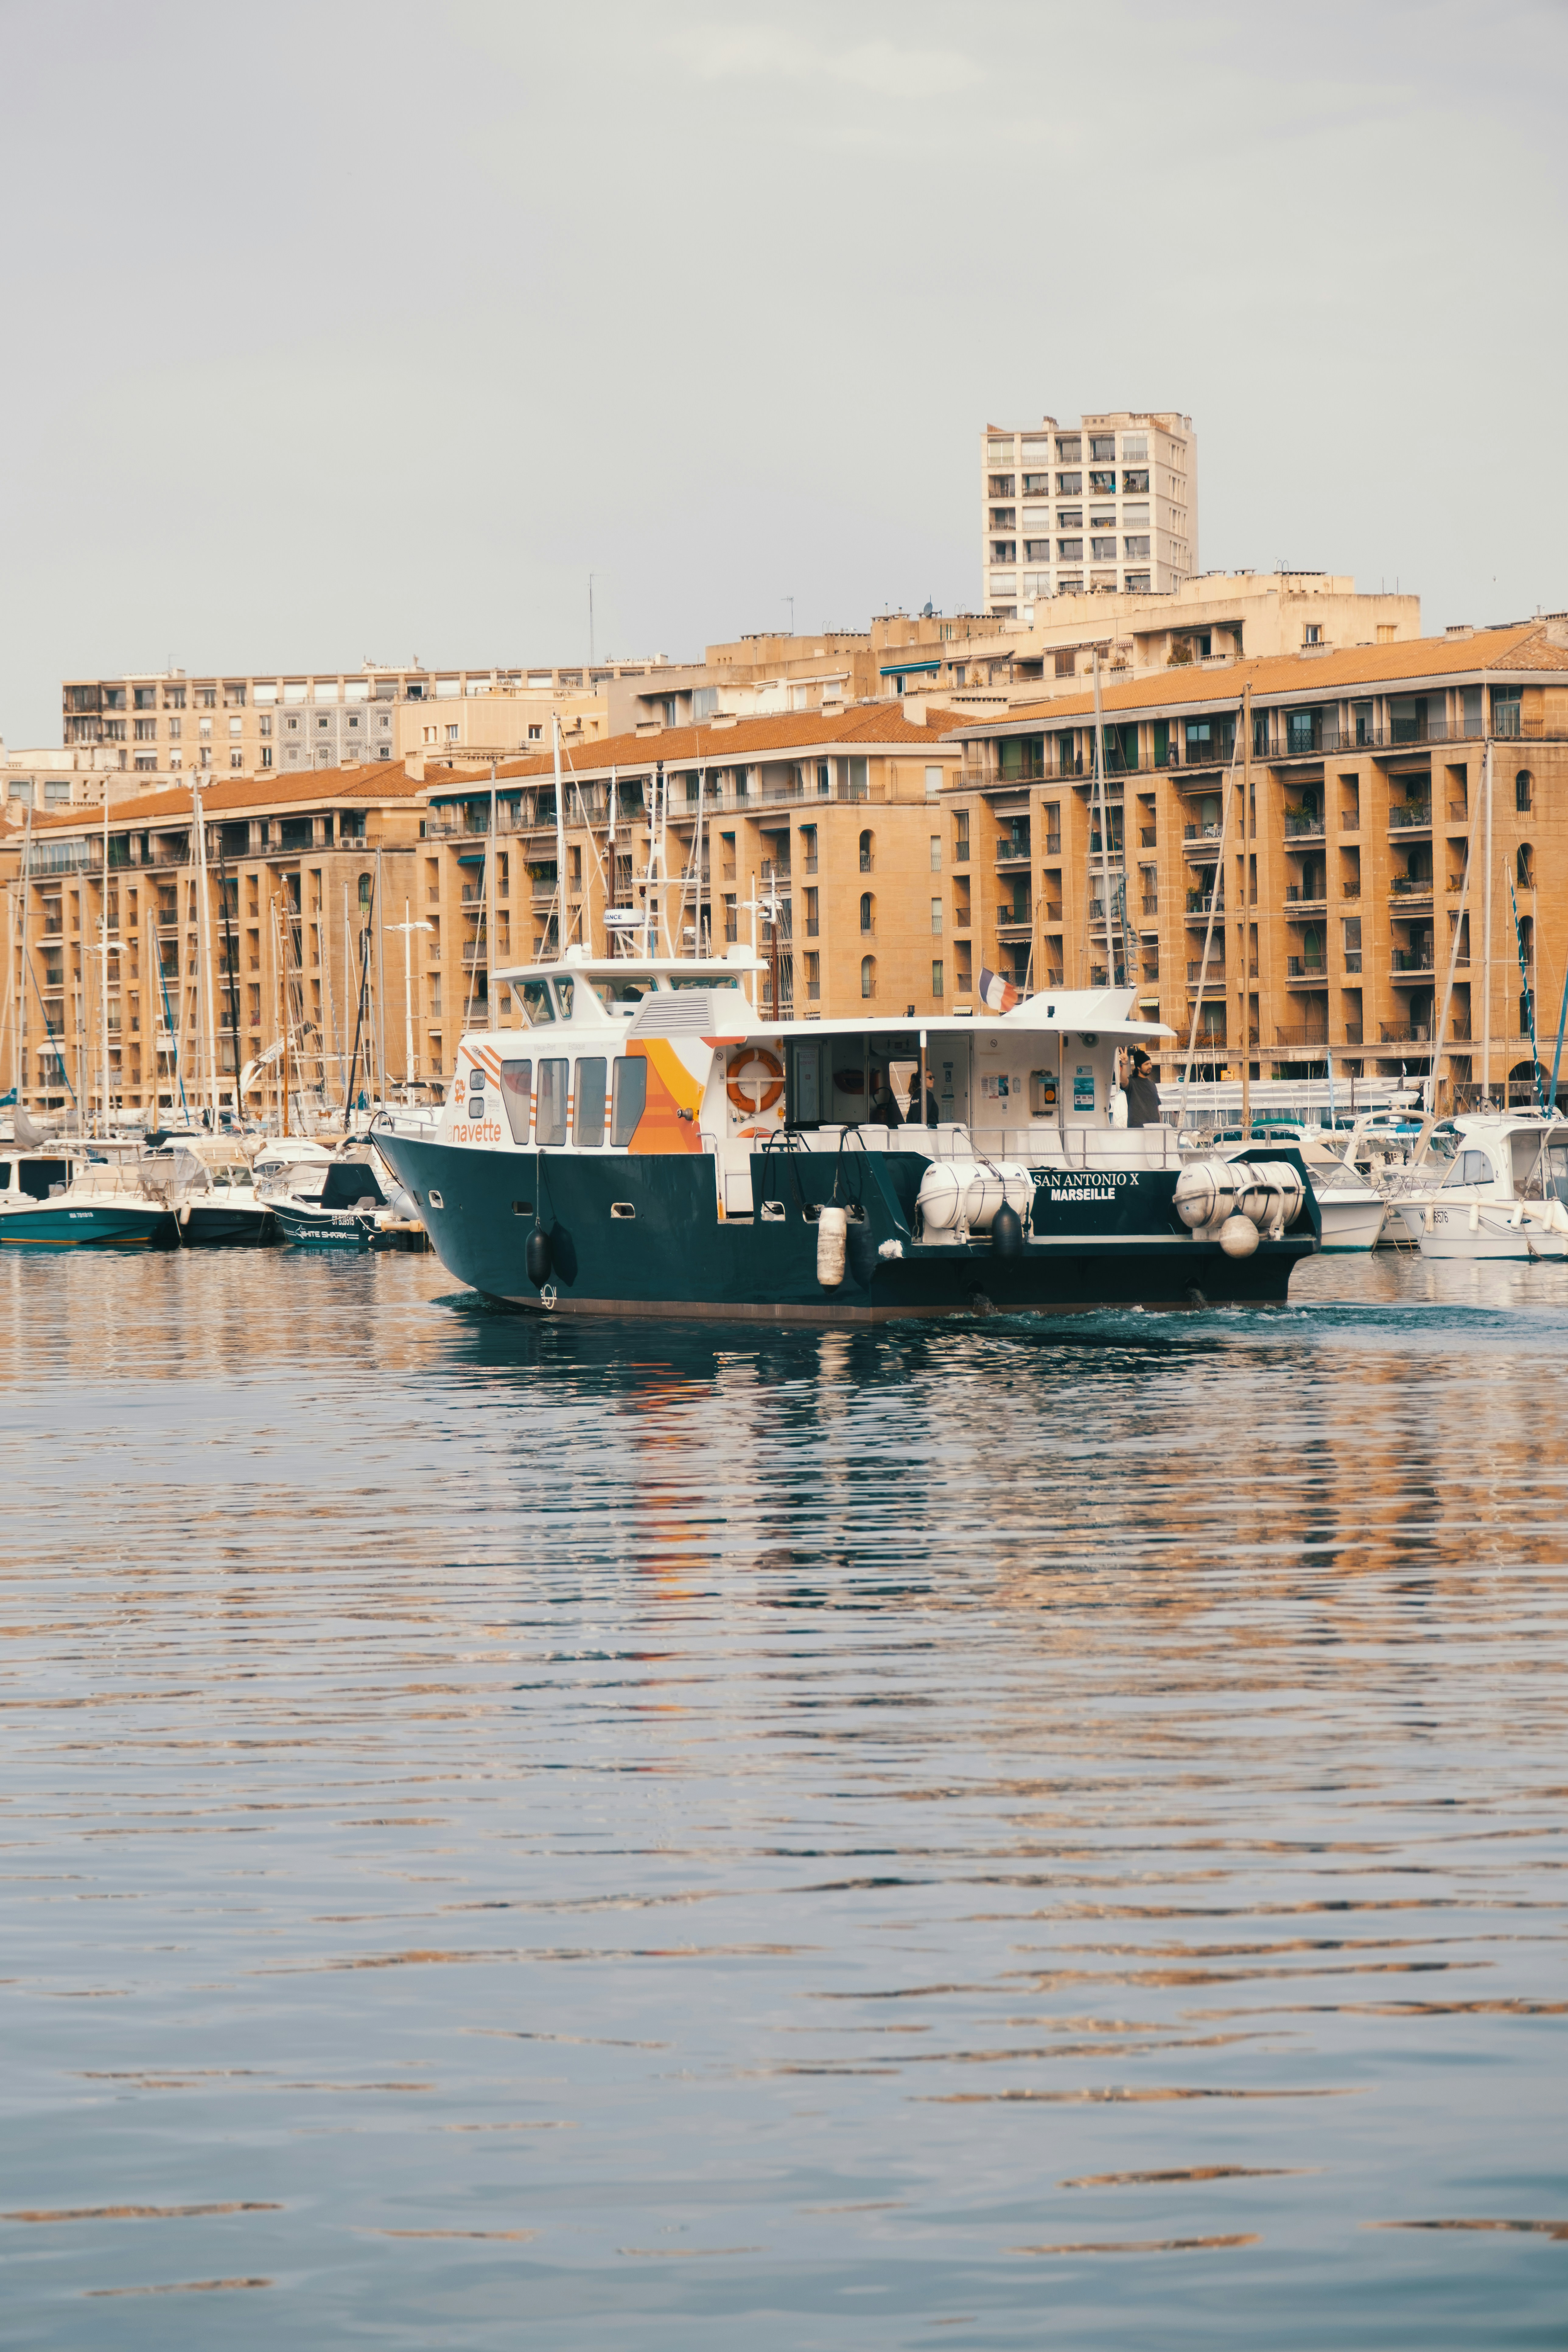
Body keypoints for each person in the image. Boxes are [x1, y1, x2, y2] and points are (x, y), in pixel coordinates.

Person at [1124, 1048, 1162, 1129]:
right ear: (1138, 1067)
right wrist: (1124, 1064)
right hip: (1137, 1129)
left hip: (1155, 1128)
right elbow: (1124, 1081)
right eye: (1147, 1064)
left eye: (1150, 1063)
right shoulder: (1132, 1082)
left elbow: (1157, 1107)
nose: (1150, 1066)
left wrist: (1161, 1126)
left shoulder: (1152, 1084)